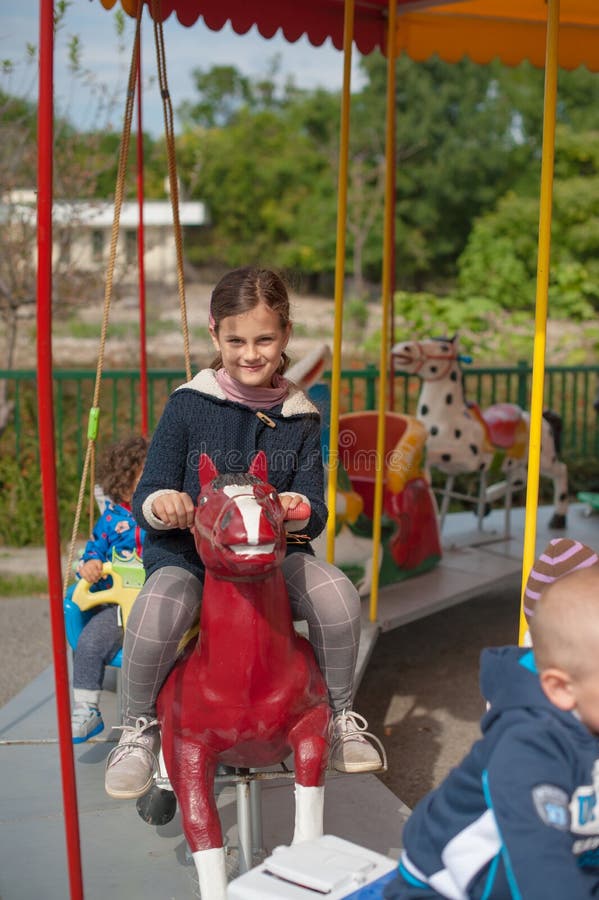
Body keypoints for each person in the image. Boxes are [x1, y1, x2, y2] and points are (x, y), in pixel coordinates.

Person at [104, 266, 384, 799]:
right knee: (159, 607)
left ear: (285, 336)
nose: (250, 353)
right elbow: (151, 489)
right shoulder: (189, 405)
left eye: (265, 340)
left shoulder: (302, 416)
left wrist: (298, 506)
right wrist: (164, 504)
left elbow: (316, 505)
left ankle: (340, 716)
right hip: (191, 555)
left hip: (272, 557)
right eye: (235, 341)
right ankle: (138, 728)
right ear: (215, 335)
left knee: (337, 597)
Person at [384, 562, 599, 900]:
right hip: (445, 887)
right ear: (561, 688)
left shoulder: (590, 709)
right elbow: (540, 863)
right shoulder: (530, 746)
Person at [70, 435, 148, 743]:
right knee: (89, 643)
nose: (146, 486)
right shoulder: (111, 520)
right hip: (119, 607)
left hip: (160, 602)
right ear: (122, 483)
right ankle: (87, 709)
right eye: (138, 480)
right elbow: (94, 553)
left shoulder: (165, 515)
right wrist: (90, 566)